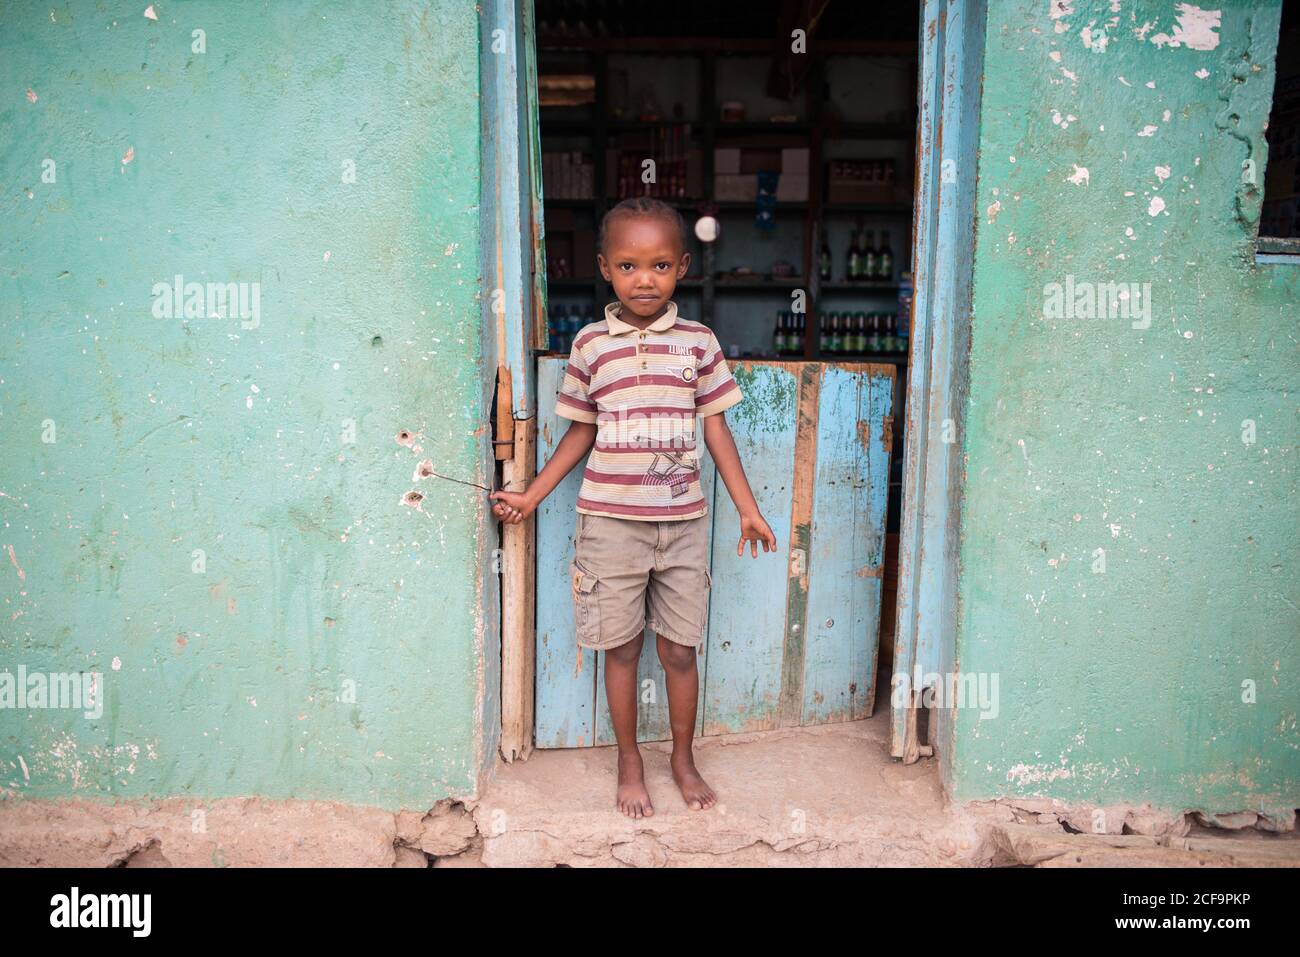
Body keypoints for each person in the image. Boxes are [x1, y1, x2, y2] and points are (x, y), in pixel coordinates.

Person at [490, 197, 777, 819]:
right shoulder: (591, 345)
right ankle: (629, 760)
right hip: (610, 524)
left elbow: (718, 432)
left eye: (659, 265)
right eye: (627, 265)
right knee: (620, 648)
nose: (644, 279)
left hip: (683, 525)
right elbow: (579, 433)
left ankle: (681, 756)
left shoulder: (698, 343)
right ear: (604, 269)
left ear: (682, 268)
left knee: (679, 649)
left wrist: (748, 508)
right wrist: (531, 497)